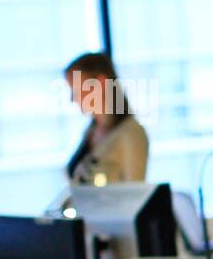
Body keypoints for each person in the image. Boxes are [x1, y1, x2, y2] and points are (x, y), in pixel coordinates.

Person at [64, 52, 149, 185]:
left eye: (76, 89)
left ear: (101, 83)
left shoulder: (131, 134)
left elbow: (134, 197)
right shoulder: (90, 132)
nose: (73, 99)